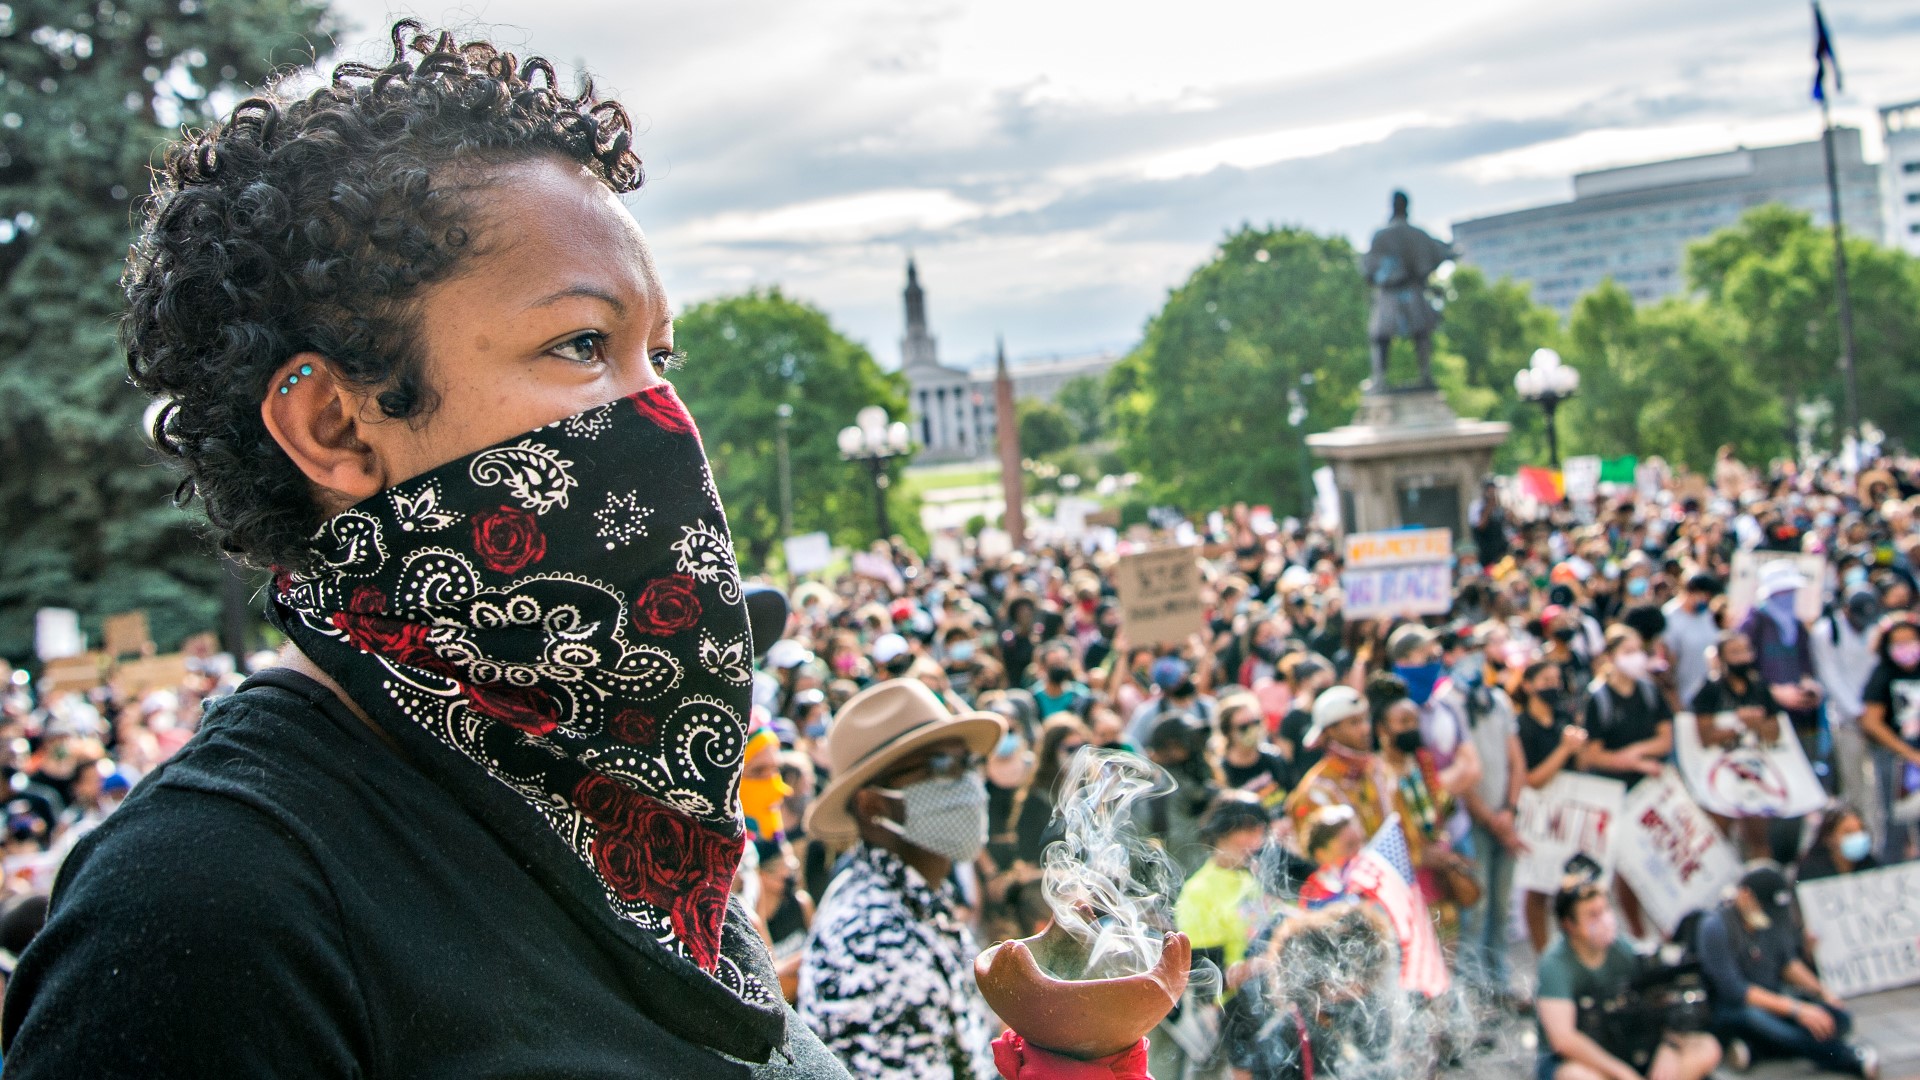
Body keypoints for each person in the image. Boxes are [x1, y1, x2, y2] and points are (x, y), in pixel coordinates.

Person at [3, 25, 851, 1077]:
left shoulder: (614, 797)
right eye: (584, 344)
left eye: (657, 353)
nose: (664, 412)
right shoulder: (207, 907)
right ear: (338, 429)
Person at [799, 678, 1003, 1080]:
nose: (967, 784)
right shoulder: (874, 941)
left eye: (968, 763)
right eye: (942, 766)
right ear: (873, 804)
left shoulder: (913, 892)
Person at [1696, 866, 1877, 1077]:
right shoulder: (1716, 927)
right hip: (1736, 1008)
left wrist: (1822, 992)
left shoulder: (1772, 920)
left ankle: (1758, 1051)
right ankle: (1844, 1058)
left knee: (1838, 1019)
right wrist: (1796, 1010)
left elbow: (1787, 964)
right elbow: (1736, 992)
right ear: (1745, 895)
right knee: (1767, 1023)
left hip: (1775, 997)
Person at [1536, 880, 1722, 1080]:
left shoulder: (1621, 949)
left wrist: (1669, 1044)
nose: (1604, 920)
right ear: (1569, 924)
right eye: (1593, 915)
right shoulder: (1555, 965)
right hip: (1579, 1058)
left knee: (1707, 1047)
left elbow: (1662, 994)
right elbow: (1564, 1040)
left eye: (1606, 909)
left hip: (1623, 1043)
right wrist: (1621, 1073)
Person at [1285, 686, 1393, 840]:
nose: (1365, 729)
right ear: (1330, 731)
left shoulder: (1378, 769)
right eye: (1354, 723)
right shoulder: (1315, 790)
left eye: (1365, 719)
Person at [1857, 614, 1920, 864]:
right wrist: (1908, 753)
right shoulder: (1882, 674)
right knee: (1895, 821)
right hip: (1895, 758)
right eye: (1898, 642)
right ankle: (1890, 868)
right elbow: (1871, 721)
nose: (1906, 647)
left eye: (1911, 640)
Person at [1218, 692, 1292, 806]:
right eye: (1244, 727)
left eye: (1256, 722)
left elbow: (1291, 796)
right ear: (1228, 732)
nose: (1252, 730)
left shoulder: (1274, 758)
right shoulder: (1221, 772)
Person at [1662, 574, 1723, 707]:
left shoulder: (1708, 615)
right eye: (1704, 596)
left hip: (1711, 693)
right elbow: (1668, 661)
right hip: (1684, 693)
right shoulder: (1669, 617)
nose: (1706, 601)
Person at [1796, 805, 1879, 882]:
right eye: (1849, 832)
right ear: (1829, 838)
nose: (1858, 836)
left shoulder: (1870, 865)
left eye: (1861, 829)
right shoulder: (1811, 871)